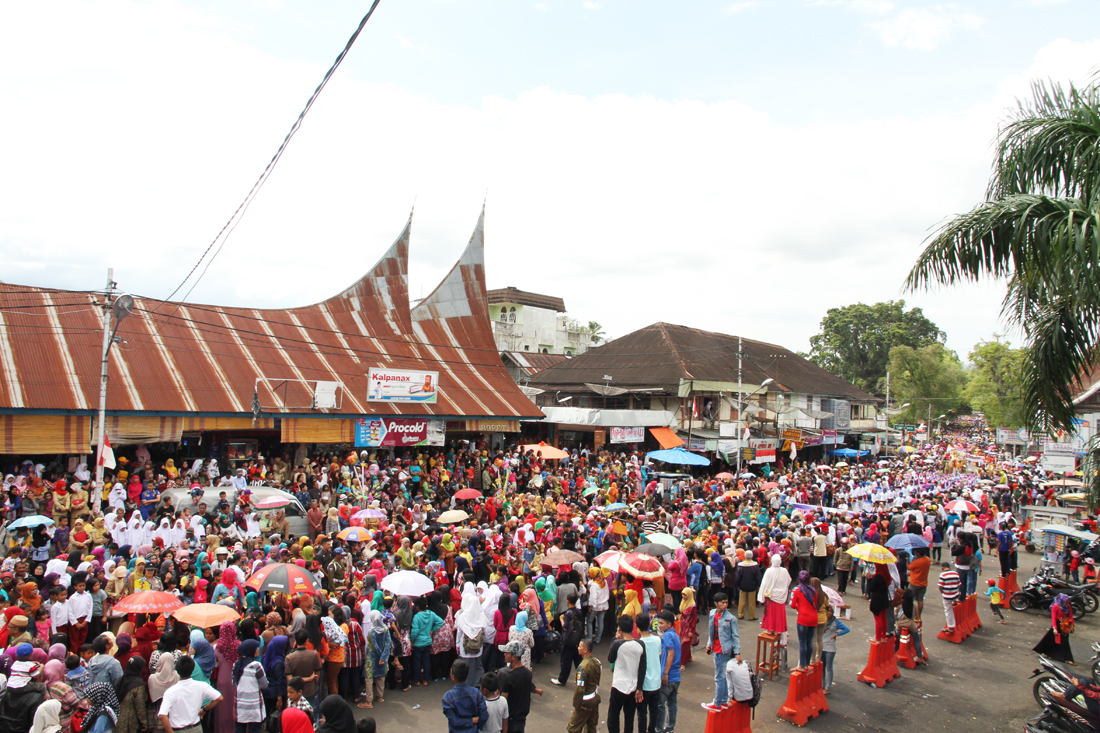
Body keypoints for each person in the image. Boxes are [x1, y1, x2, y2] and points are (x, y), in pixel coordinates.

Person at [158, 656, 222, 733]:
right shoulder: (202, 686)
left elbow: (162, 716)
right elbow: (219, 698)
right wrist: (204, 709)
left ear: (177, 670)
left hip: (178, 730)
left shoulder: (170, 692)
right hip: (196, 728)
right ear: (192, 670)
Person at [607, 616, 647, 733]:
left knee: (613, 716)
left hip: (618, 685)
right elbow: (642, 667)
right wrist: (640, 687)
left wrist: (615, 639)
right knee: (629, 718)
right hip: (633, 686)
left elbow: (610, 659)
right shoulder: (640, 644)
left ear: (620, 628)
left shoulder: (617, 644)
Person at [703, 592, 740, 711]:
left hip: (724, 650)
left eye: (726, 603)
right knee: (723, 676)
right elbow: (712, 632)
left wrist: (737, 653)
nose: (725, 605)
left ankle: (717, 703)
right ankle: (723, 700)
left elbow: (735, 636)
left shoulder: (731, 619)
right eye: (722, 603)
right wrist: (709, 644)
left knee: (719, 677)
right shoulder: (712, 614)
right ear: (716, 604)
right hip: (716, 648)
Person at [499, 640, 543, 733]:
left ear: (514, 657)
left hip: (510, 717)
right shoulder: (527, 673)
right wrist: (538, 691)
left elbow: (503, 699)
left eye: (507, 653)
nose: (504, 655)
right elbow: (530, 686)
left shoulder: (507, 676)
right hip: (521, 717)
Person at [442, 660, 489, 733]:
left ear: (453, 677)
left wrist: (469, 722)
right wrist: (475, 724)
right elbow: (484, 715)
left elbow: (454, 721)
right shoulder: (476, 693)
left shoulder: (448, 697)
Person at [566, 638, 601, 733]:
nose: (578, 648)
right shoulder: (596, 662)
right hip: (594, 698)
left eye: (580, 646)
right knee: (591, 726)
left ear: (585, 650)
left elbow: (580, 688)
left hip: (585, 700)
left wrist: (577, 704)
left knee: (573, 728)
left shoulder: (583, 667)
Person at [233, 638, 268, 733]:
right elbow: (264, 685)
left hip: (240, 706)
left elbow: (234, 683)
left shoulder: (236, 664)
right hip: (254, 706)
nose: (258, 649)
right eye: (256, 648)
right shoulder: (256, 666)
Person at [655, 611, 681, 733]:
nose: (659, 626)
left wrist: (665, 673)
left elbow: (671, 653)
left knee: (660, 705)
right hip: (676, 677)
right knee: (672, 704)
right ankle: (670, 728)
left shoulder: (666, 636)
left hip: (668, 676)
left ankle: (659, 729)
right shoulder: (675, 635)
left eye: (662, 623)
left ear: (669, 624)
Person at [636, 613, 662, 733]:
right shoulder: (657, 640)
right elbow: (659, 654)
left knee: (642, 713)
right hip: (656, 682)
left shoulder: (638, 643)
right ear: (649, 623)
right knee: (654, 711)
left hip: (643, 684)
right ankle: (652, 730)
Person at [1034, 593, 1076, 664]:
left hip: (1065, 625)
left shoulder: (1068, 606)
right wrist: (1055, 628)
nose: (1066, 604)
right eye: (1066, 602)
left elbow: (1070, 615)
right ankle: (1047, 652)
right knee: (1051, 640)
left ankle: (1068, 658)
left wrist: (1072, 625)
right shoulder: (1055, 607)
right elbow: (1053, 618)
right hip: (1057, 624)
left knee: (1064, 641)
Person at [937, 562, 962, 635]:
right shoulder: (956, 573)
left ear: (942, 568)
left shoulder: (943, 575)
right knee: (953, 599)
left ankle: (950, 627)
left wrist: (942, 593)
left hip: (947, 595)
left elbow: (940, 586)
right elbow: (959, 584)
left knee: (948, 610)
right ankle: (955, 601)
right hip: (956, 594)